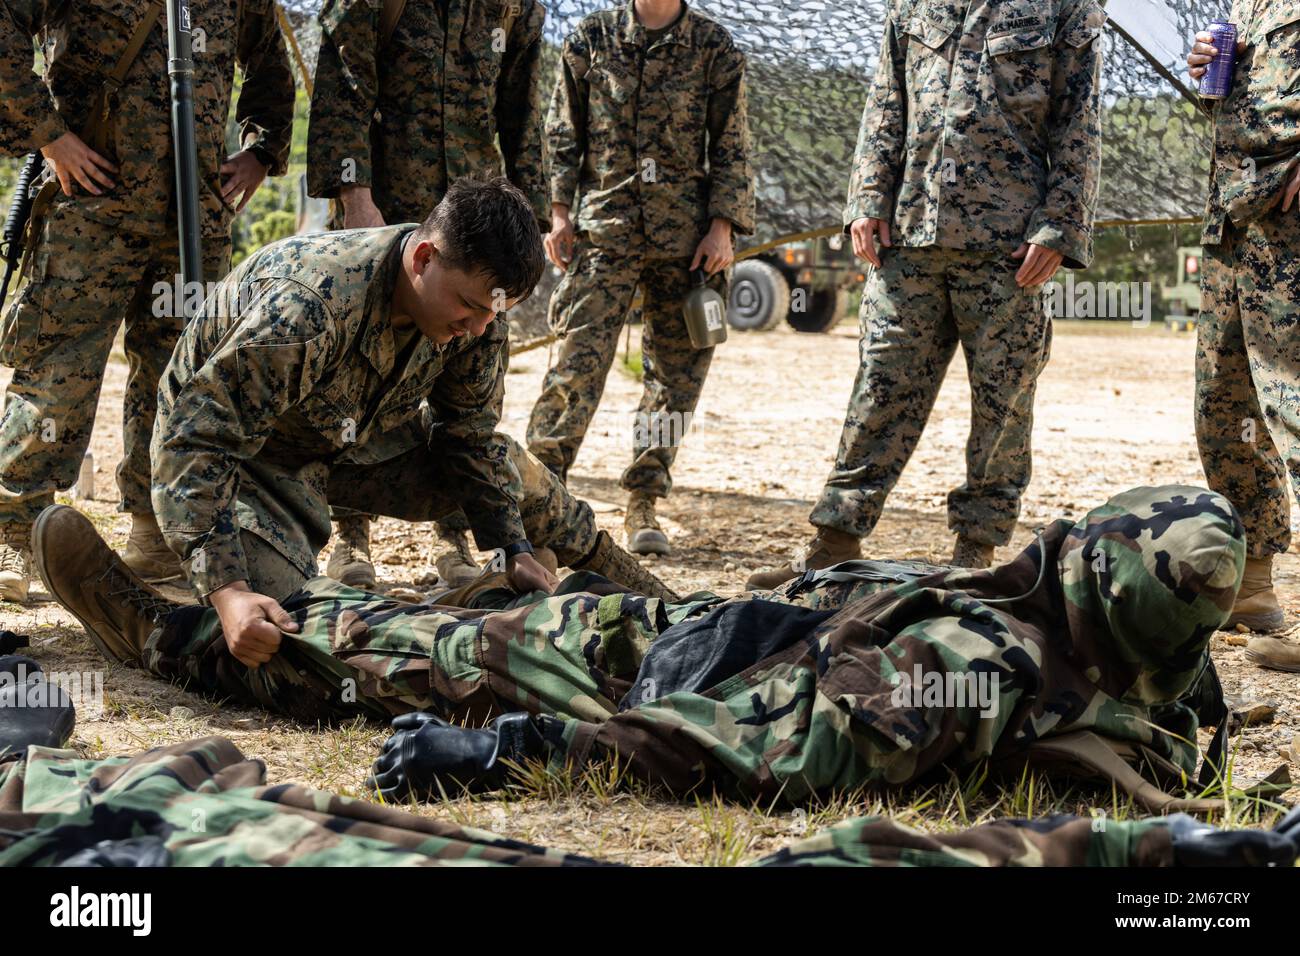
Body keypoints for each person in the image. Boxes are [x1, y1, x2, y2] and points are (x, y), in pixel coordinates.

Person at [35, 481, 1243, 811]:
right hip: (714, 632)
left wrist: (515, 748)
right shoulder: (1152, 656)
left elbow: (762, 748)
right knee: (458, 617)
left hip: (674, 678)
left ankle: (165, 629)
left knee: (387, 651)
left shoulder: (968, 675)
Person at [747, 0, 1106, 589]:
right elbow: (886, 106)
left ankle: (974, 553)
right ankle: (835, 540)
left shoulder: (1066, 7)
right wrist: (866, 200)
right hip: (909, 236)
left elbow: (1079, 121)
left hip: (1008, 247)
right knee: (881, 383)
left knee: (1003, 400)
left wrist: (1061, 228)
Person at [0, 0, 295, 602]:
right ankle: (12, 533)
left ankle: (156, 535)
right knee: (59, 372)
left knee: (178, 379)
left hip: (192, 218)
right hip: (92, 205)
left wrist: (261, 152)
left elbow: (270, 61)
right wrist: (50, 136)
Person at [307, 0, 551, 589]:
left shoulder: (517, 7)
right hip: (391, 219)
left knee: (471, 376)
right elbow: (344, 84)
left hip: (484, 229)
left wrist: (532, 229)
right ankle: (350, 538)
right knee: (354, 376)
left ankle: (457, 537)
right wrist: (355, 197)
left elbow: (523, 114)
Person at [524, 0, 755, 556]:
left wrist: (723, 226)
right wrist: (557, 213)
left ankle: (644, 498)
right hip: (604, 232)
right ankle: (540, 499)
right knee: (575, 367)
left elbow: (732, 142)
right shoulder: (592, 38)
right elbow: (561, 132)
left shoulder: (713, 46)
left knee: (676, 379)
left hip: (688, 242)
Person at [1185, 1, 1300, 672]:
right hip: (1235, 219)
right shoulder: (1246, 2)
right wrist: (1209, 72)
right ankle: (1253, 587)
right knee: (1226, 410)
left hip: (1290, 225)